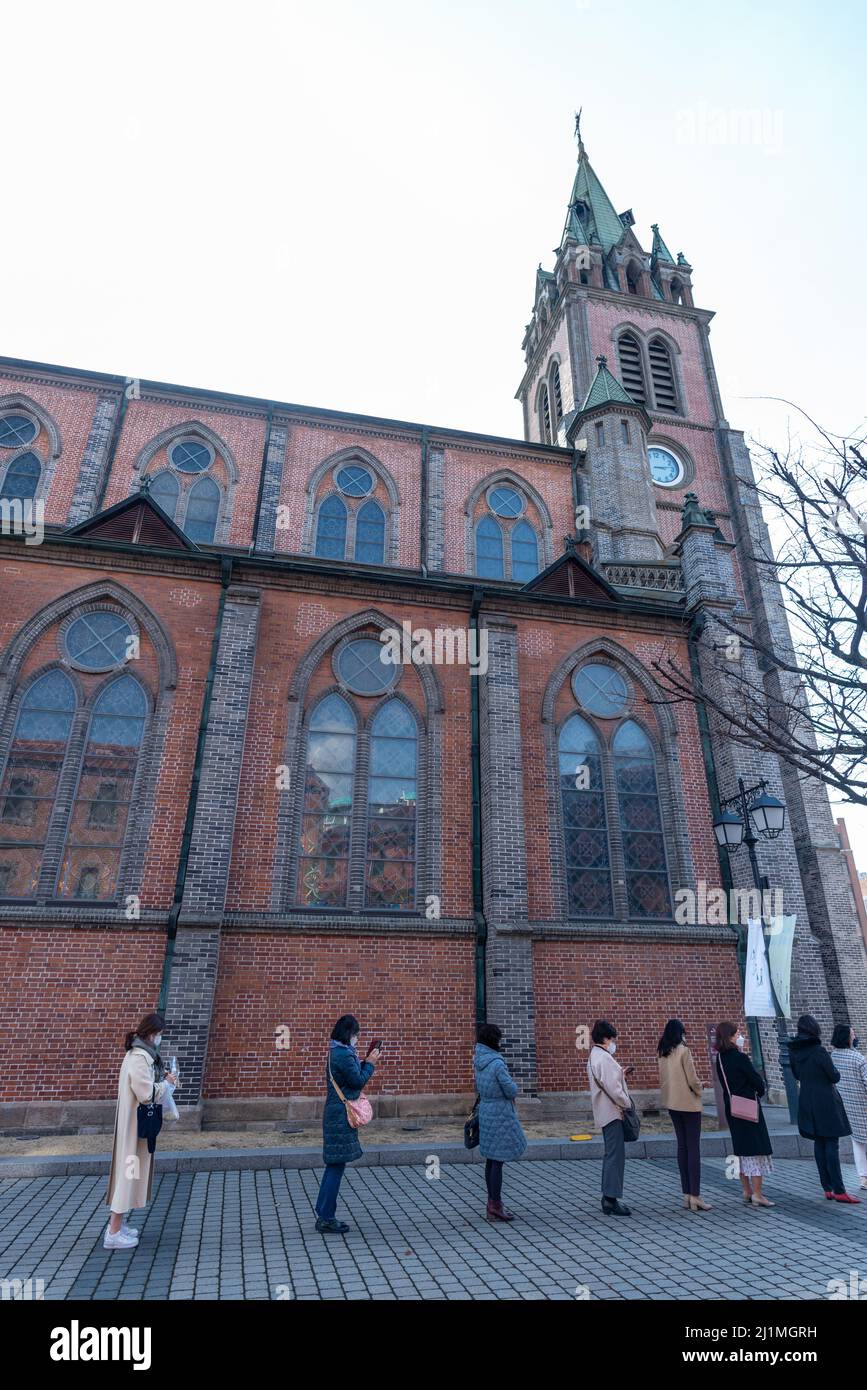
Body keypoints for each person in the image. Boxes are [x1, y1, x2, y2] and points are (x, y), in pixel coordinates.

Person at [105, 1011, 178, 1250]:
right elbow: (145, 1094)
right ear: (150, 1033)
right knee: (127, 1176)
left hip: (135, 1124)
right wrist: (165, 1084)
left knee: (130, 1175)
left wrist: (162, 1081)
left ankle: (118, 1225)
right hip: (134, 1127)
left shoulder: (142, 1055)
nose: (160, 1038)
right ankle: (113, 1233)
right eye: (159, 1034)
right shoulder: (139, 1057)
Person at [315, 1015, 380, 1234]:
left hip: (335, 1113)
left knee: (335, 1165)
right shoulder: (343, 1054)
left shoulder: (336, 1051)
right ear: (348, 1034)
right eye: (356, 1035)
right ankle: (326, 1217)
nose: (357, 1039)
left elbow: (349, 1077)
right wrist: (370, 1064)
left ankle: (324, 1211)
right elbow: (357, 1081)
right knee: (336, 1166)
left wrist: (362, 1063)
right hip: (341, 1116)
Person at [789, 1014, 858, 1204]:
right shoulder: (818, 1051)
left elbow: (796, 1074)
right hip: (825, 1101)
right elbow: (834, 1076)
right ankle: (840, 1190)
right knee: (831, 1145)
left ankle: (827, 1188)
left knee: (819, 1144)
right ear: (815, 1029)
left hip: (807, 1100)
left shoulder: (794, 1051)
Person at [715, 1021, 774, 1207]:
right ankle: (758, 1193)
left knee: (741, 1148)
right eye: (737, 1033)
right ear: (731, 1037)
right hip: (748, 1105)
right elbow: (756, 1080)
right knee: (756, 1148)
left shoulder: (720, 1058)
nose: (740, 1036)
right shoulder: (740, 1058)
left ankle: (746, 1190)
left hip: (732, 1106)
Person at [474, 1023, 527, 1221]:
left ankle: (492, 1202)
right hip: (500, 1114)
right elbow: (510, 1090)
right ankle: (495, 1205)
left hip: (486, 1110)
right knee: (497, 1161)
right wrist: (514, 1085)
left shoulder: (478, 1060)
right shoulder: (497, 1063)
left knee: (490, 1159)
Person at [657, 1018, 710, 1211]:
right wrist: (700, 1088)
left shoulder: (663, 1052)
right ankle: (695, 1195)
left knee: (682, 1147)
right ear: (681, 1033)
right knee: (693, 1148)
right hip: (688, 1103)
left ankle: (686, 1194)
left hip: (672, 1103)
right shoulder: (683, 1051)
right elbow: (692, 1079)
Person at [588, 1020, 634, 1216]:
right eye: (612, 1039)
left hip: (603, 1110)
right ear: (606, 1038)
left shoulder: (593, 1056)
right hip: (613, 1112)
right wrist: (627, 1102)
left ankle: (609, 1196)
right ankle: (610, 1198)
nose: (613, 1043)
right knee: (615, 1156)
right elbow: (614, 1089)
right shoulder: (605, 1059)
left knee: (611, 1153)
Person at [830, 1025, 867, 1190]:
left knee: (857, 1142)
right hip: (863, 1105)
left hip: (846, 1106)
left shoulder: (834, 1056)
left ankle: (863, 1177)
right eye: (853, 1034)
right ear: (847, 1038)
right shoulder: (859, 1059)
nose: (855, 1036)